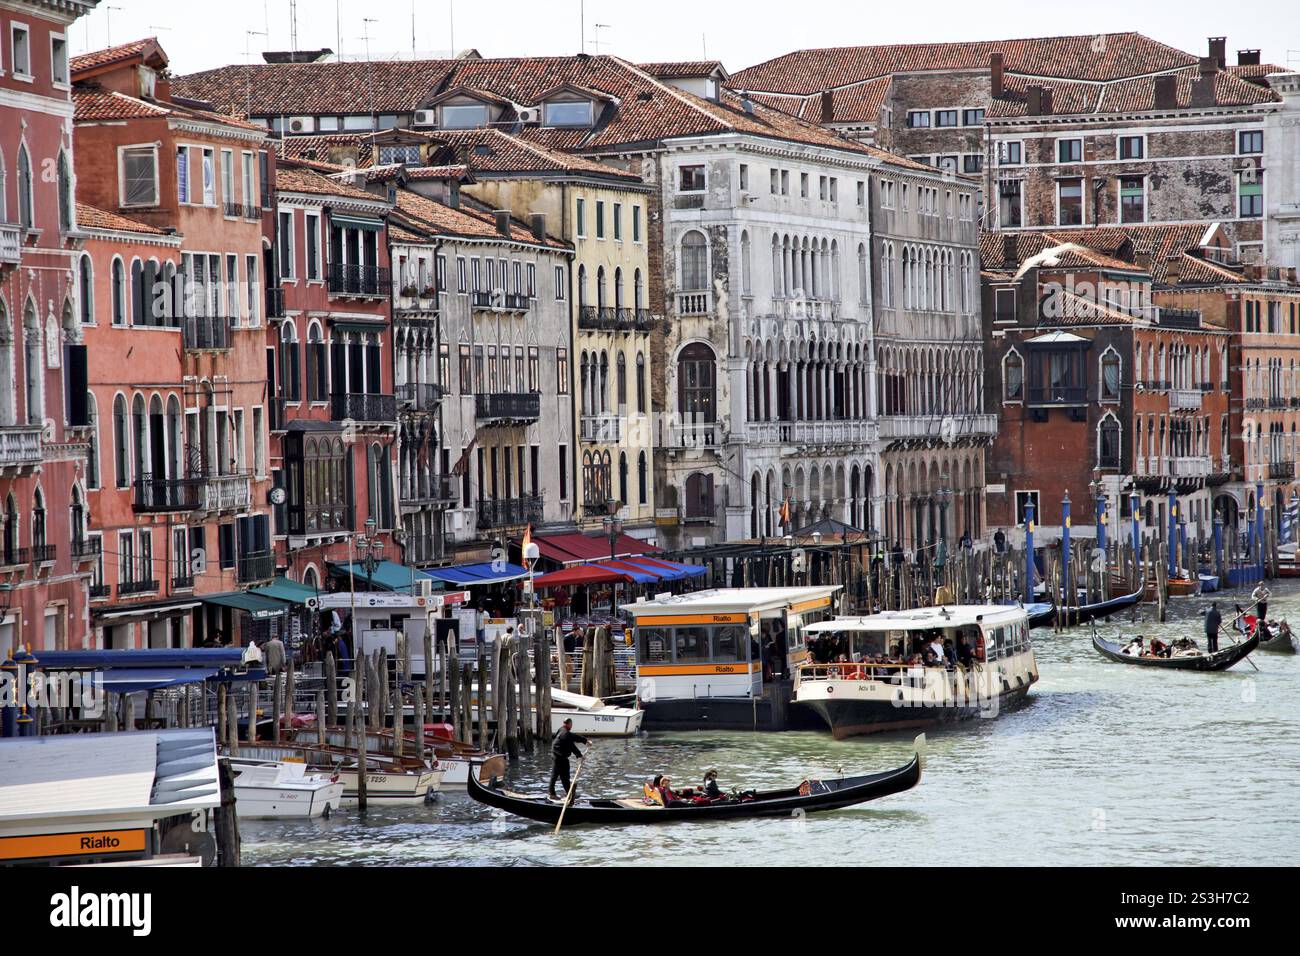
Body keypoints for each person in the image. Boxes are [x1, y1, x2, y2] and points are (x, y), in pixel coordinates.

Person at [548, 718, 589, 800]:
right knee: (565, 776)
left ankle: (552, 793)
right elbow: (572, 746)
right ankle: (569, 794)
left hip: (555, 754)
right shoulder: (566, 734)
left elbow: (573, 737)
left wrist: (585, 741)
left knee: (554, 775)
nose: (571, 726)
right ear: (569, 724)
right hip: (560, 757)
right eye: (571, 724)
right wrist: (580, 755)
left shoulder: (561, 730)